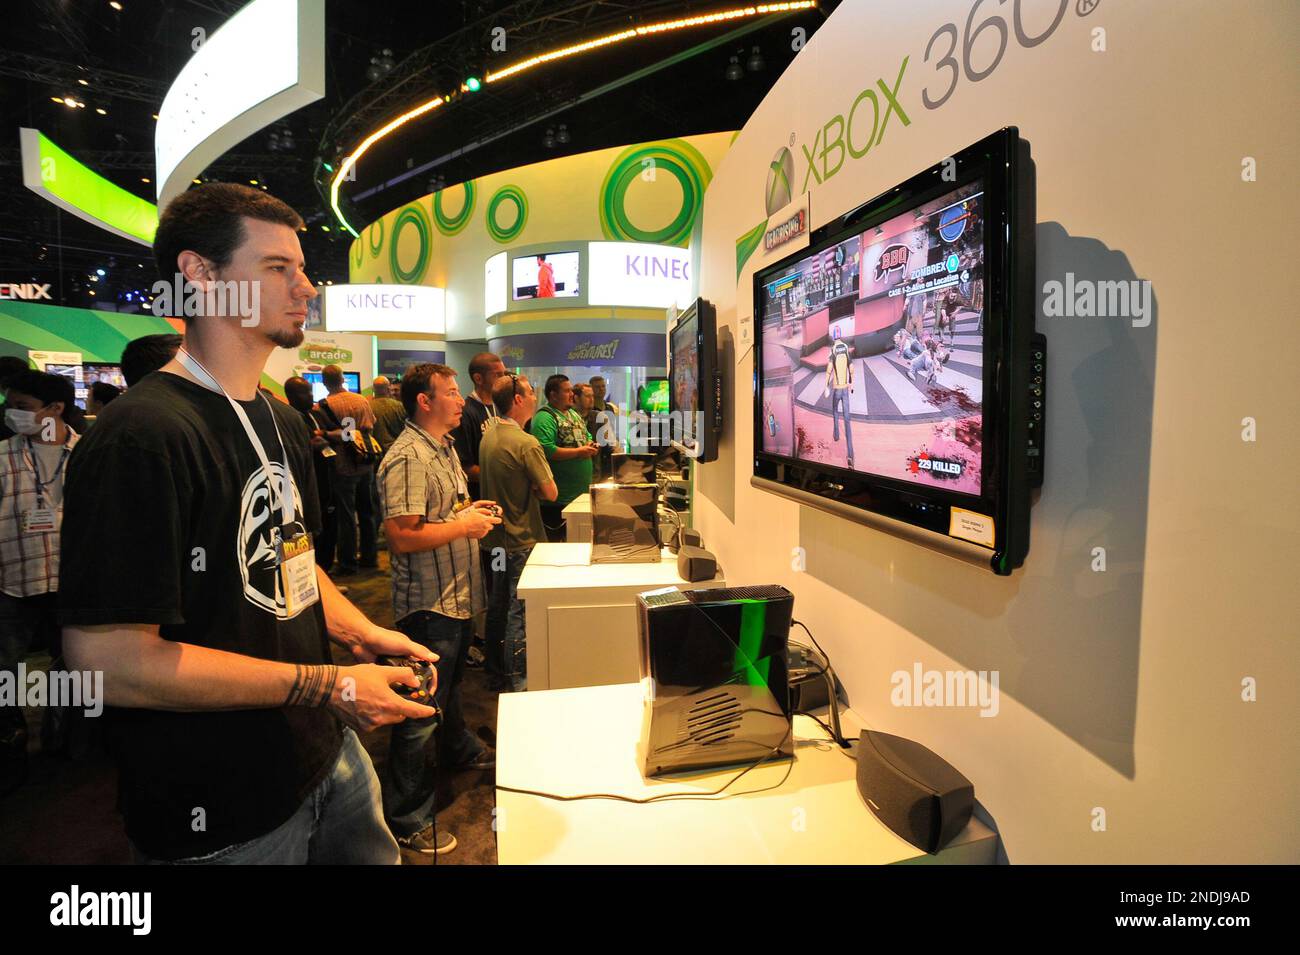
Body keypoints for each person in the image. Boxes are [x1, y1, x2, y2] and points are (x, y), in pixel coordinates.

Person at [58, 183, 437, 864]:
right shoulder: (140, 436)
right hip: (220, 804)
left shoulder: (281, 419)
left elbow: (294, 558)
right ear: (200, 275)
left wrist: (362, 632)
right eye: (277, 268)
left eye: (302, 268)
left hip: (325, 752)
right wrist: (329, 683)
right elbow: (109, 662)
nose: (307, 287)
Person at [378, 362, 500, 855]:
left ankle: (459, 748)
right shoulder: (409, 457)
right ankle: (405, 816)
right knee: (418, 710)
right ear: (424, 401)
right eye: (450, 392)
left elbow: (438, 515)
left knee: (447, 689)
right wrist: (463, 527)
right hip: (430, 604)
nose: (459, 400)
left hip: (454, 595)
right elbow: (402, 536)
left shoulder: (442, 447)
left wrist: (467, 514)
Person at [0, 370, 80, 794]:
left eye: (23, 407)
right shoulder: (2, 455)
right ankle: (11, 740)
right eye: (9, 405)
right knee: (5, 670)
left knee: (73, 665)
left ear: (55, 409)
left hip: (74, 584)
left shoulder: (88, 453)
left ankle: (64, 737)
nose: (12, 413)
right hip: (13, 580)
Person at [479, 374, 556, 692]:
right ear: (518, 399)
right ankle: (518, 682)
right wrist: (534, 488)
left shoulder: (489, 435)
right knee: (519, 611)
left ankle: (495, 669)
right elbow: (550, 492)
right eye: (531, 393)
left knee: (498, 604)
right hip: (520, 542)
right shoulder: (526, 443)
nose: (536, 397)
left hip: (494, 542)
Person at [315, 366, 380, 576]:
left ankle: (348, 562)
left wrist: (326, 434)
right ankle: (370, 557)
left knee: (346, 517)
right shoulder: (361, 401)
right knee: (367, 512)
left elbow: (340, 435)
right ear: (343, 379)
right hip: (365, 463)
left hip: (342, 466)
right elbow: (369, 428)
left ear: (324, 382)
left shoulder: (322, 406)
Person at [530, 374, 598, 541]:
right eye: (567, 391)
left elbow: (586, 435)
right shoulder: (544, 417)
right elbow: (546, 450)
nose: (572, 394)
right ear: (553, 395)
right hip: (558, 501)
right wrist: (579, 452)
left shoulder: (573, 414)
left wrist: (590, 444)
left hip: (580, 495)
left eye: (571, 390)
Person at [284, 376, 336, 572]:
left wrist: (326, 435)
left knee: (328, 526)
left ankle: (325, 571)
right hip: (303, 485)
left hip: (328, 479)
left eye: (310, 391)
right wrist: (310, 444)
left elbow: (342, 433)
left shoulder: (317, 414)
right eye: (304, 392)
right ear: (291, 395)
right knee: (305, 529)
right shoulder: (289, 418)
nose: (310, 396)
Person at [451, 352, 504, 502]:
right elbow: (465, 467)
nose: (503, 380)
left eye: (504, 374)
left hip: (500, 494)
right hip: (479, 498)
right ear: (478, 379)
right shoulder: (465, 413)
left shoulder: (499, 407)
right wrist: (505, 476)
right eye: (498, 375)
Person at [824, 330, 855, 470]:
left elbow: (829, 370)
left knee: (835, 411)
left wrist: (826, 386)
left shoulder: (833, 349)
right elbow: (851, 367)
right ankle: (850, 456)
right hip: (845, 390)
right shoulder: (846, 347)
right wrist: (851, 383)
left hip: (837, 389)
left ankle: (836, 434)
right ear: (841, 336)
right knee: (847, 420)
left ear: (833, 337)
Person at [368, 376, 406, 457]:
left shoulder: (367, 407)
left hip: (375, 453)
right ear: (388, 389)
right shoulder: (400, 407)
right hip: (396, 452)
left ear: (373, 389)